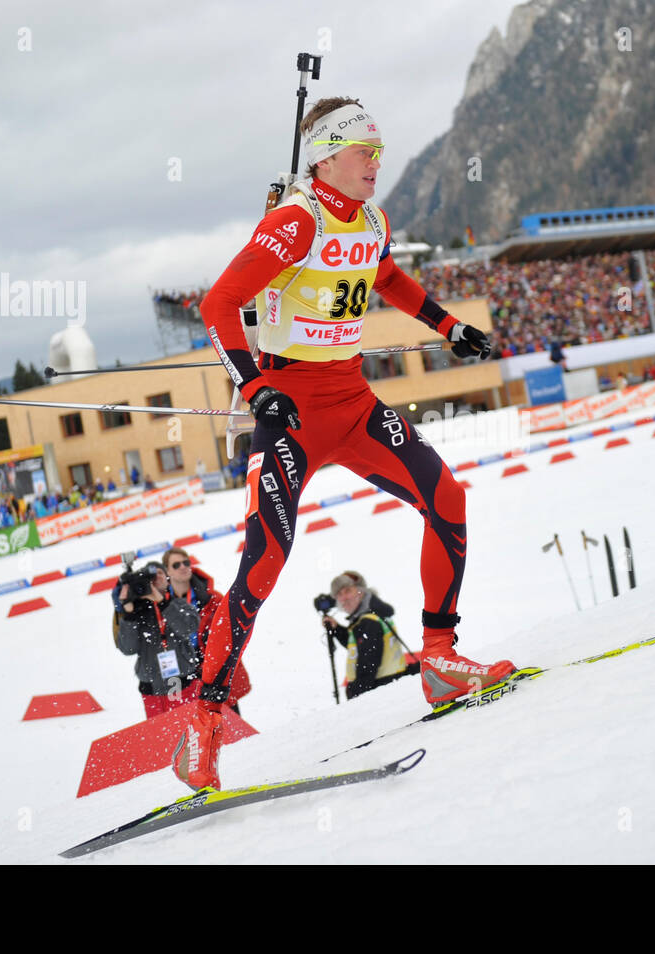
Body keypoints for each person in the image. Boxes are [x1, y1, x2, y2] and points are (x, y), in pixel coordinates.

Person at [174, 94, 516, 791]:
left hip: (353, 404)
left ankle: (442, 659)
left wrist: (446, 326)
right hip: (290, 417)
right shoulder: (296, 220)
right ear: (326, 156)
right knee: (264, 566)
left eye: (382, 152)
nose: (377, 164)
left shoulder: (372, 221)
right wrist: (251, 386)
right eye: (366, 151)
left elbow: (383, 274)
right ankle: (201, 730)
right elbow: (219, 305)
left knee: (446, 497)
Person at [161, 547, 250, 715]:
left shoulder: (212, 598)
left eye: (186, 562)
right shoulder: (162, 602)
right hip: (182, 671)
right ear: (167, 571)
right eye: (176, 565)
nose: (183, 567)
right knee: (193, 725)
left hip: (213, 665)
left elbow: (233, 631)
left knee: (230, 720)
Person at [113, 561, 203, 719]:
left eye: (159, 574)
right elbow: (128, 649)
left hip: (181, 681)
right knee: (162, 738)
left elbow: (188, 628)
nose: (155, 578)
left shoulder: (180, 604)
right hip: (151, 687)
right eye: (151, 577)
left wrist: (162, 603)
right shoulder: (137, 613)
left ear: (168, 579)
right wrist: (128, 613)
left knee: (189, 731)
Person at [318, 571, 420, 700]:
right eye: (339, 594)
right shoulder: (372, 615)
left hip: (382, 693)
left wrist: (355, 695)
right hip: (390, 686)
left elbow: (368, 666)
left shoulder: (369, 622)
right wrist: (337, 629)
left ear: (360, 591)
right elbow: (358, 647)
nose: (344, 598)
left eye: (348, 591)